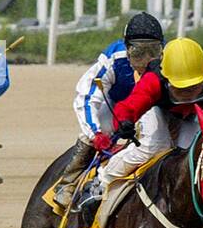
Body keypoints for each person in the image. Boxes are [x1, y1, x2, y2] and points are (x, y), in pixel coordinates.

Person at [75, 36, 203, 222]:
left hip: (193, 113)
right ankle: (100, 183)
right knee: (154, 146)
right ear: (168, 79)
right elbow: (128, 107)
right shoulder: (153, 80)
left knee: (190, 155)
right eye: (181, 89)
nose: (188, 94)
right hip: (157, 110)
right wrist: (123, 123)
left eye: (194, 87)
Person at [51, 12, 164, 207]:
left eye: (153, 52)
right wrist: (95, 134)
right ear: (127, 49)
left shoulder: (171, 59)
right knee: (98, 127)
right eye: (138, 53)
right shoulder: (115, 58)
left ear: (162, 48)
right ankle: (68, 182)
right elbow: (86, 95)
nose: (146, 61)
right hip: (118, 108)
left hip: (158, 107)